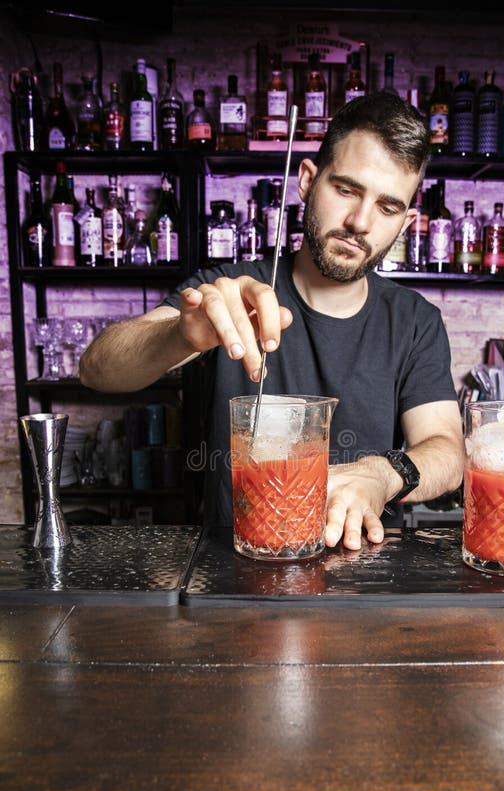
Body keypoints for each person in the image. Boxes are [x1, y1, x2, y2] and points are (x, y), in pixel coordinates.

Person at [79, 91, 464, 551]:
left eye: (388, 207)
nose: (361, 222)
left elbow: (446, 450)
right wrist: (180, 335)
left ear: (406, 223)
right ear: (306, 180)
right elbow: (97, 370)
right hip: (234, 562)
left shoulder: (414, 320)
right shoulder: (225, 288)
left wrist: (382, 473)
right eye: (345, 189)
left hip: (359, 572)